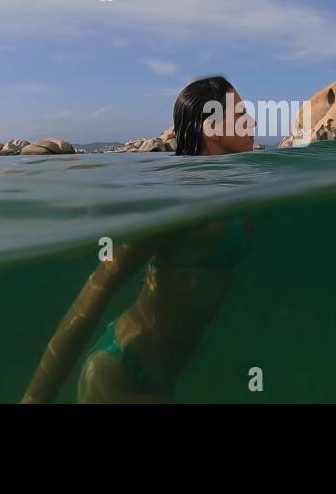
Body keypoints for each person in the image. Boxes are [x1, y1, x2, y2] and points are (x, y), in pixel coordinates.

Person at [22, 76, 255, 403]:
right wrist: (35, 398)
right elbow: (96, 291)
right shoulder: (178, 203)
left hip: (161, 378)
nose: (254, 121)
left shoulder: (235, 187)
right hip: (122, 373)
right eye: (242, 114)